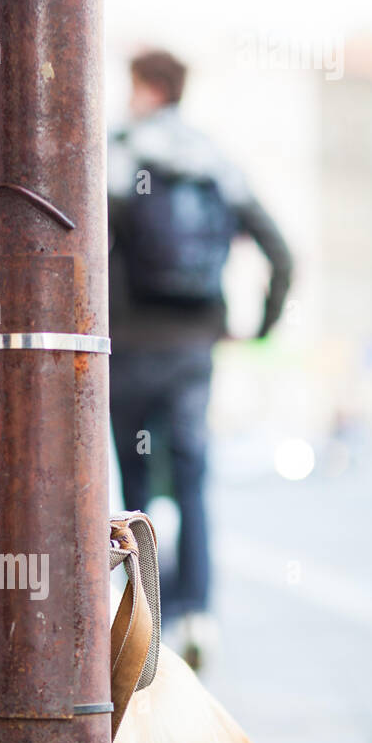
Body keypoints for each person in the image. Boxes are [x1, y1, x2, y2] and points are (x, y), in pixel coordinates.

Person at [108, 48, 293, 669]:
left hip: (131, 345)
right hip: (194, 347)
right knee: (192, 482)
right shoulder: (216, 159)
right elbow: (281, 252)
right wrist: (256, 327)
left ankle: (142, 621)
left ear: (147, 86)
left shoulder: (121, 152)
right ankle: (200, 617)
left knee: (134, 488)